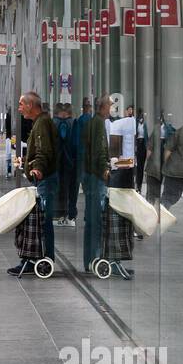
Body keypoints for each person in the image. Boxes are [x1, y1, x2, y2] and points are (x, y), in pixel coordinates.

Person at [8, 91, 58, 276]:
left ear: (30, 105)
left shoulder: (42, 123)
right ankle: (37, 259)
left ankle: (42, 260)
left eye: (21, 104)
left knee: (42, 221)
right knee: (39, 220)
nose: (19, 108)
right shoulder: (39, 122)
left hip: (44, 180)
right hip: (43, 179)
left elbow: (44, 151)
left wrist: (37, 168)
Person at [80, 95, 112, 273]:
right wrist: (105, 169)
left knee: (91, 220)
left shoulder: (92, 122)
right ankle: (96, 257)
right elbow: (99, 150)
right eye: (109, 105)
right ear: (103, 107)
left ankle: (89, 260)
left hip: (89, 175)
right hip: (96, 177)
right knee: (97, 219)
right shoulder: (99, 123)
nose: (110, 109)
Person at [159, 121, 183, 208]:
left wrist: (165, 165)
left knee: (168, 198)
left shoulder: (182, 129)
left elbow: (168, 149)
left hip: (176, 169)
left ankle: (157, 217)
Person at [55, 103, 77, 225]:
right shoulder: (74, 123)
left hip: (62, 161)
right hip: (73, 162)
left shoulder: (58, 123)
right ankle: (71, 216)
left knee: (61, 188)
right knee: (72, 189)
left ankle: (61, 215)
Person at [134, 108, 149, 191]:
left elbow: (146, 136)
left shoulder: (145, 124)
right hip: (138, 144)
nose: (142, 116)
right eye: (140, 114)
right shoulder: (136, 124)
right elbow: (135, 135)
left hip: (143, 145)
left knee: (142, 166)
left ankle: (139, 186)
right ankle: (137, 184)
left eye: (142, 115)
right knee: (138, 166)